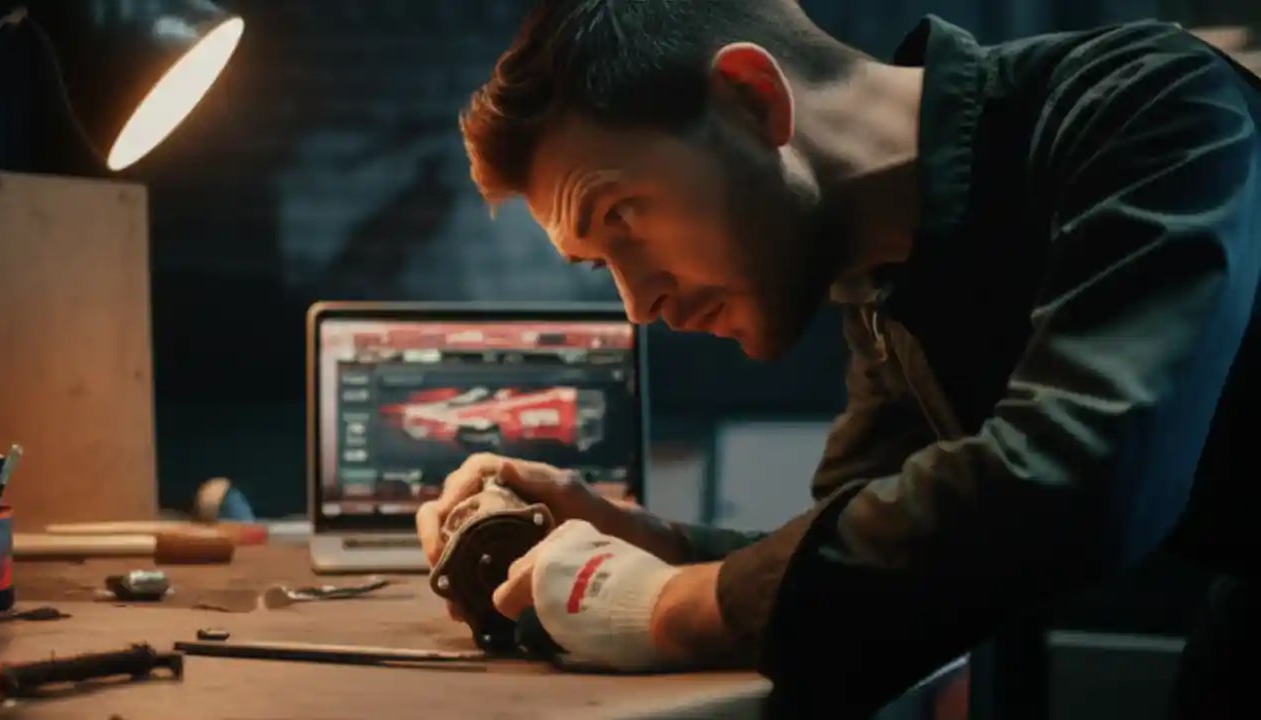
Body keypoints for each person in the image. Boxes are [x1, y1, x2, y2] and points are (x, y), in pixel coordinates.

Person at [415, 0, 1261, 716]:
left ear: (753, 101)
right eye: (602, 267)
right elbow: (864, 557)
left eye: (624, 217)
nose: (641, 306)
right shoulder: (886, 278)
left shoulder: (1150, 103)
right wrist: (646, 541)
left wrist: (667, 607)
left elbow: (1087, 479)